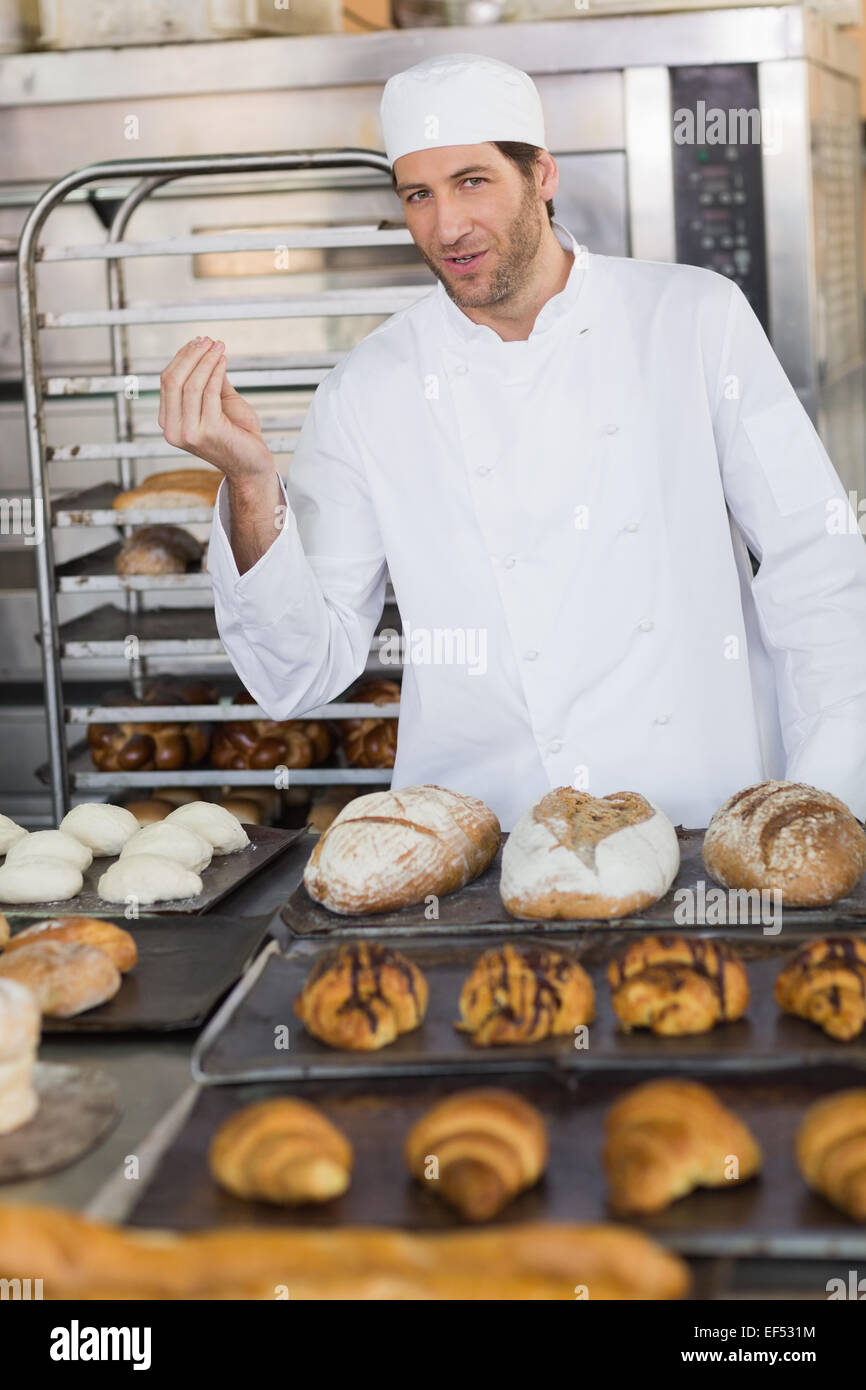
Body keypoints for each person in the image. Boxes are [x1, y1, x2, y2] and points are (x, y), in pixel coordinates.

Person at [158, 52, 866, 830]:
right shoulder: (367, 387)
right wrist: (255, 486)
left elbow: (817, 569)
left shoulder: (693, 318)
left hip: (699, 816)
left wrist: (828, 801)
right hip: (487, 842)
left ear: (543, 176)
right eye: (418, 195)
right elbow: (300, 671)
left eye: (472, 182)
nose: (446, 225)